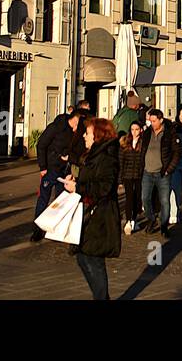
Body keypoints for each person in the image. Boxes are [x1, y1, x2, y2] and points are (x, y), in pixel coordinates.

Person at [61, 116, 121, 300]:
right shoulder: (92, 155)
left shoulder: (107, 157)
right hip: (88, 213)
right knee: (83, 257)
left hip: (100, 216)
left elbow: (104, 187)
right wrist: (76, 182)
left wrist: (78, 187)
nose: (84, 137)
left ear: (97, 135)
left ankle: (102, 298)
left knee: (94, 259)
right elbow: (92, 181)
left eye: (87, 134)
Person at [32, 109, 83, 242]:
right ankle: (38, 229)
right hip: (50, 169)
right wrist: (42, 167)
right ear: (75, 120)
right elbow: (41, 145)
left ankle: (56, 228)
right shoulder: (56, 127)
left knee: (61, 200)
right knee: (44, 199)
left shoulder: (76, 133)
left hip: (64, 171)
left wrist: (69, 160)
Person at [139, 108, 179, 234]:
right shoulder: (146, 133)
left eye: (154, 121)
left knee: (164, 201)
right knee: (145, 198)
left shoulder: (169, 134)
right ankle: (151, 219)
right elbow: (143, 150)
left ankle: (164, 225)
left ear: (161, 120)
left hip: (162, 173)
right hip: (147, 172)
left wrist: (169, 169)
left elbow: (176, 153)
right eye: (150, 121)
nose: (152, 123)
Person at [119, 121, 144, 234]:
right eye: (132, 129)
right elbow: (120, 162)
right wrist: (120, 179)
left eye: (137, 129)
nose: (134, 132)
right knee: (129, 197)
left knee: (137, 198)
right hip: (127, 175)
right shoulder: (125, 143)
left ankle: (134, 219)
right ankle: (128, 220)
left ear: (140, 130)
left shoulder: (143, 143)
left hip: (139, 175)